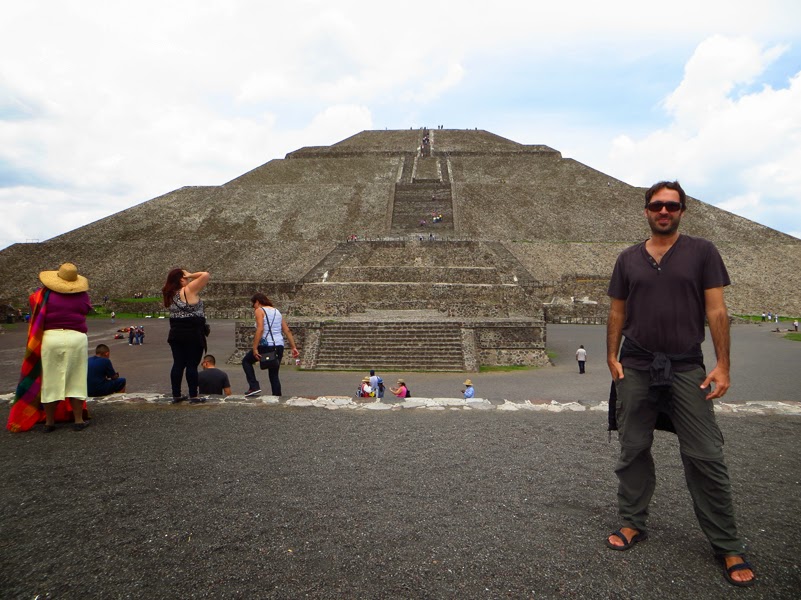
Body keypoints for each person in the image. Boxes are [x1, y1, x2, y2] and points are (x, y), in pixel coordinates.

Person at [605, 180, 754, 587]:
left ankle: (727, 543)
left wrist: (723, 365)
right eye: (657, 205)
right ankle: (633, 521)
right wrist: (610, 356)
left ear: (683, 210)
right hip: (635, 366)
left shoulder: (702, 252)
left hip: (687, 366)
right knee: (633, 449)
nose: (664, 211)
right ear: (647, 210)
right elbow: (617, 311)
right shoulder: (627, 259)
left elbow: (717, 310)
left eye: (672, 205)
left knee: (706, 454)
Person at [7, 263, 91, 432]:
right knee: (77, 379)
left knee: (50, 381)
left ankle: (49, 423)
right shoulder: (82, 296)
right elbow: (86, 310)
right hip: (77, 338)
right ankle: (78, 420)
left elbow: (33, 304)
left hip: (51, 338)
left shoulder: (41, 295)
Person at [162, 268, 209, 403]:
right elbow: (205, 275)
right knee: (191, 365)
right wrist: (190, 274)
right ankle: (193, 395)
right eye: (186, 278)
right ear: (181, 279)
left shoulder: (170, 294)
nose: (189, 280)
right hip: (192, 332)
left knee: (178, 364)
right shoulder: (187, 290)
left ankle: (176, 394)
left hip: (176, 333)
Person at [241, 292, 299, 397]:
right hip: (279, 345)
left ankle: (254, 386)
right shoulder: (277, 312)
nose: (253, 307)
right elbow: (287, 330)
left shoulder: (259, 310)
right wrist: (293, 347)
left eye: (253, 304)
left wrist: (255, 348)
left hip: (267, 345)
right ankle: (277, 396)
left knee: (246, 361)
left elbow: (260, 329)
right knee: (274, 374)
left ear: (257, 302)